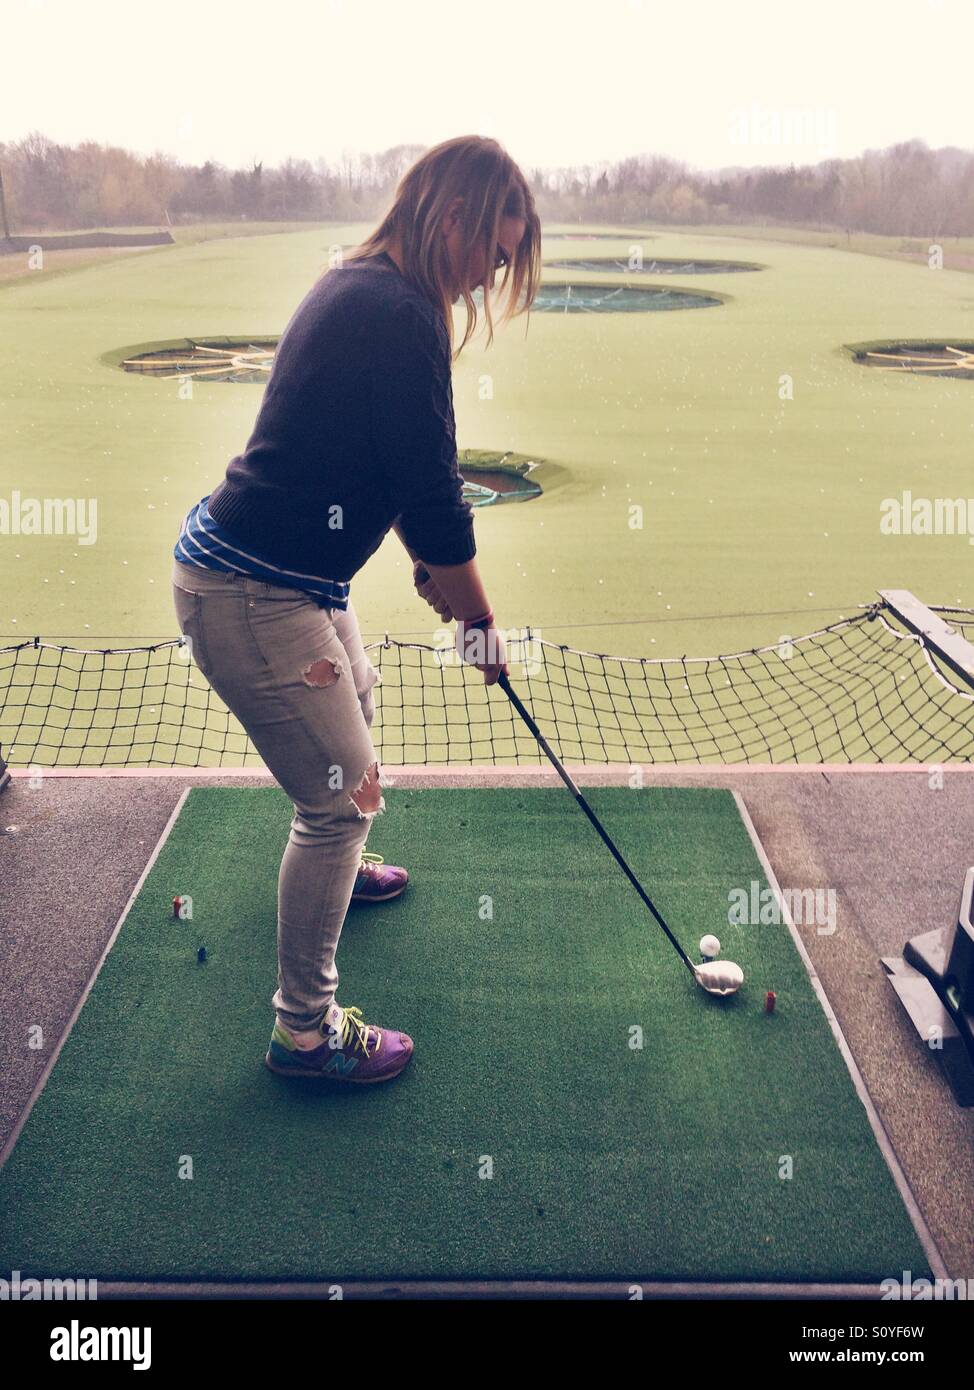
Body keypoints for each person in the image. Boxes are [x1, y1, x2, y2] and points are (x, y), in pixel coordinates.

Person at [171, 135, 541, 1084]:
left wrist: (431, 570)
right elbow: (433, 497)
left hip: (284, 579)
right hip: (254, 593)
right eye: (491, 253)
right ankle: (304, 1032)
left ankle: (340, 878)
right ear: (453, 217)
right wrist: (479, 627)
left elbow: (389, 466)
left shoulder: (366, 284)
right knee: (336, 803)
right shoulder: (399, 311)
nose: (487, 276)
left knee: (360, 724)